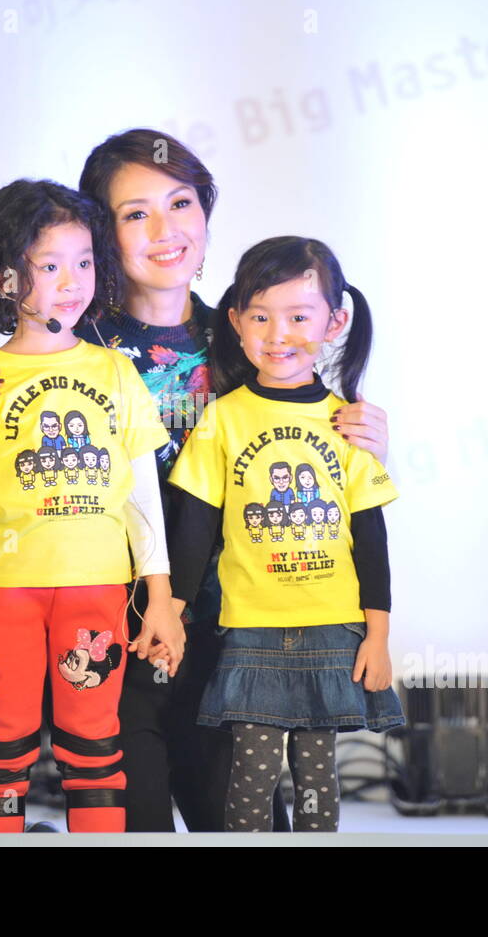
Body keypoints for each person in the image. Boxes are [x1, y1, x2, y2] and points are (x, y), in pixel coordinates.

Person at [0, 128, 392, 831]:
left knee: (242, 824)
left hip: (229, 640)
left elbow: (314, 459)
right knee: (127, 818)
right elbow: (1, 489)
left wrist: (365, 434)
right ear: (100, 234)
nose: (165, 230)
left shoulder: (248, 334)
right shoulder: (68, 343)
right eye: (136, 213)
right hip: (106, 634)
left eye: (182, 203)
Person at [0, 178, 182, 833]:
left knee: (94, 744)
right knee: (1, 742)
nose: (72, 281)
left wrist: (158, 595)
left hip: (95, 593)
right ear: (5, 280)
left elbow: (142, 497)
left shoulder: (115, 373)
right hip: (2, 594)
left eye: (83, 261)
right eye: (49, 266)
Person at [162, 235, 404, 832]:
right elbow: (196, 526)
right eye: (261, 316)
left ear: (333, 321)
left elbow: (371, 538)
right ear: (237, 322)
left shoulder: (348, 423)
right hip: (251, 629)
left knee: (318, 775)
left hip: (331, 629)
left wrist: (378, 637)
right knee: (253, 772)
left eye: (299, 316)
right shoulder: (221, 418)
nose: (279, 333)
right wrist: (169, 609)